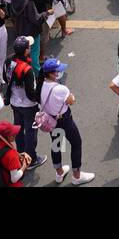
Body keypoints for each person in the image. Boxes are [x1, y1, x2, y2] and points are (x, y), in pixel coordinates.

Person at [39, 57, 94, 185]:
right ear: (52, 73)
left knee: (57, 145)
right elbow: (71, 101)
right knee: (76, 144)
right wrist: (72, 96)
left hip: (52, 120)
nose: (59, 73)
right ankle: (77, 176)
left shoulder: (41, 85)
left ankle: (59, 173)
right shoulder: (60, 89)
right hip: (65, 120)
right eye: (57, 71)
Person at [4, 36, 46, 170]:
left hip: (15, 103)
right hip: (28, 106)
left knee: (19, 130)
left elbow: (6, 78)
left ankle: (21, 156)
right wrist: (40, 96)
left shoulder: (9, 61)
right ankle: (31, 159)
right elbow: (31, 94)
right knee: (31, 133)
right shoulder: (27, 70)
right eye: (29, 46)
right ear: (26, 51)